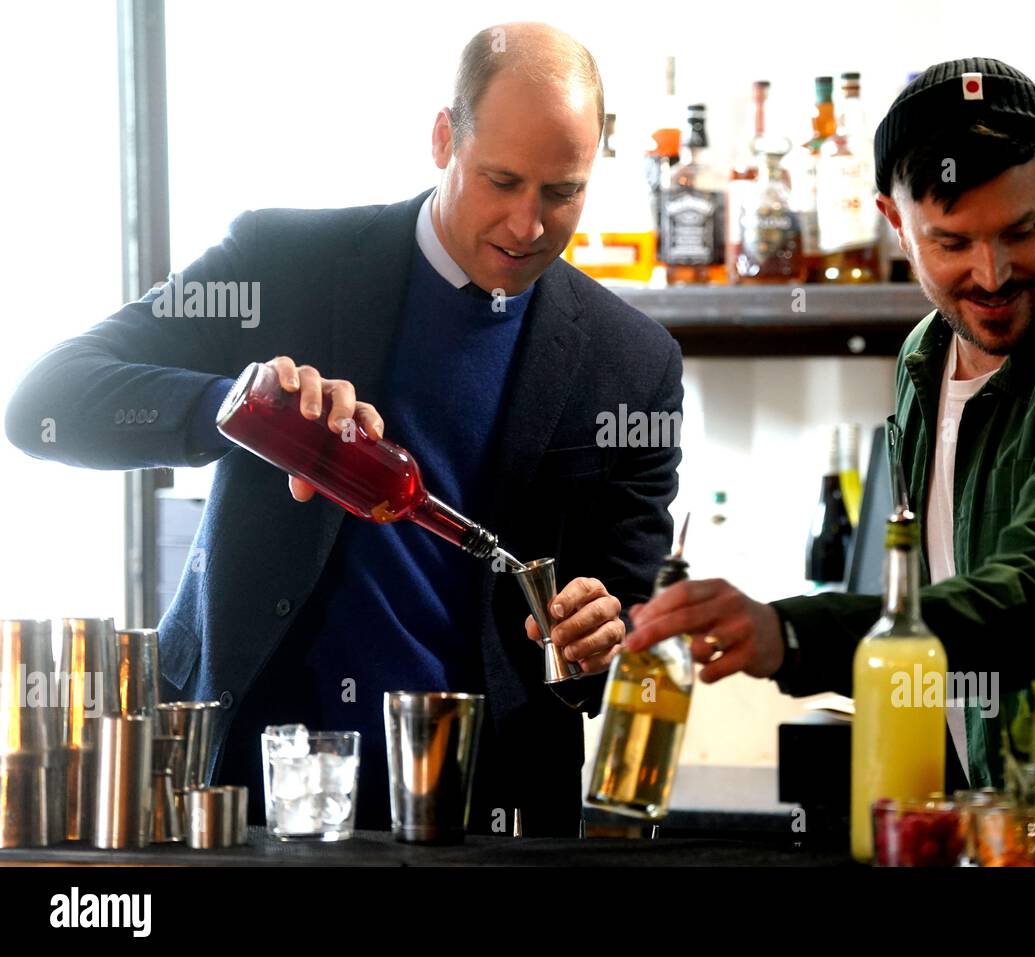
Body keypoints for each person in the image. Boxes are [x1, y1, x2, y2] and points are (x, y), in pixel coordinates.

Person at [4, 21, 683, 835]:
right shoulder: (282, 263)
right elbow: (46, 403)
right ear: (443, 138)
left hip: (489, 810)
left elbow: (618, 614)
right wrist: (241, 409)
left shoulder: (633, 363)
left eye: (562, 191)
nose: (528, 224)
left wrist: (592, 634)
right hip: (242, 784)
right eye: (501, 180)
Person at [624, 58, 1035, 790]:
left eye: (1020, 232)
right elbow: (952, 617)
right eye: (952, 243)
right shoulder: (927, 354)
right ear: (894, 222)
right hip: (1001, 819)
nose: (990, 274)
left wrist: (793, 634)